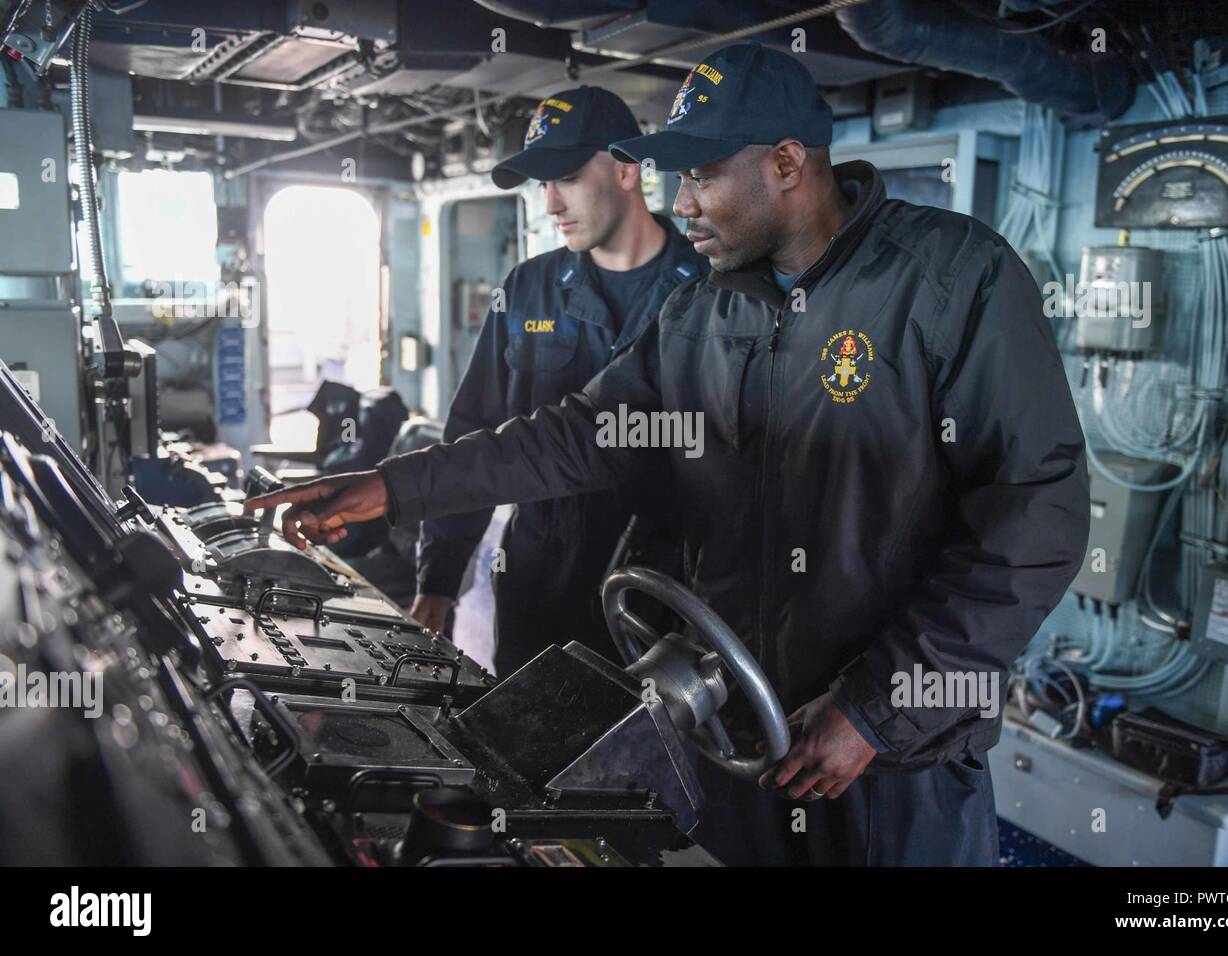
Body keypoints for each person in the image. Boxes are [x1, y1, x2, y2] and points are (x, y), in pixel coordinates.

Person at [245, 43, 1090, 866]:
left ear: (788, 164)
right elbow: (579, 435)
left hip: (895, 759)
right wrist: (395, 487)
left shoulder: (951, 279)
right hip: (736, 726)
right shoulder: (703, 313)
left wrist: (876, 709)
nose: (682, 203)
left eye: (701, 174)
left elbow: (1034, 519)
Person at [408, 85, 706, 677]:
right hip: (537, 574)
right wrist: (441, 575)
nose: (549, 203)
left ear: (626, 169)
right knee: (522, 745)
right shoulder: (526, 290)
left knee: (648, 761)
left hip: (662, 592)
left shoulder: (707, 288)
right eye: (540, 184)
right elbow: (475, 428)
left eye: (564, 177)